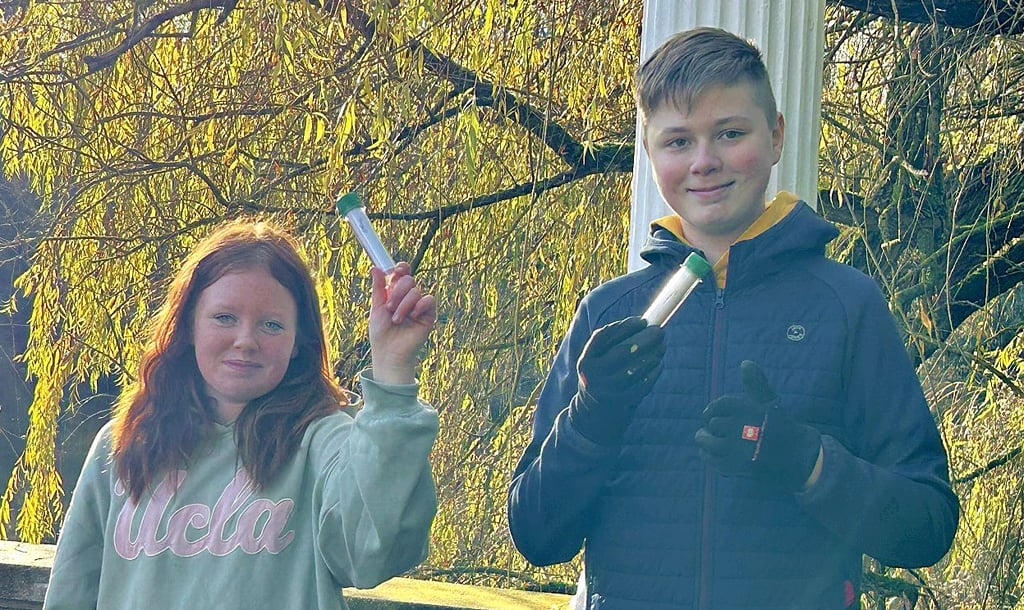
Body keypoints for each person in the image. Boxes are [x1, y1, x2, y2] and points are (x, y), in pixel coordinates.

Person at [507, 27, 959, 609]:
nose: (704, 162)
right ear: (649, 154)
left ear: (775, 137)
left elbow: (927, 525)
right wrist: (592, 419)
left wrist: (808, 463)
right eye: (677, 141)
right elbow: (538, 537)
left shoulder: (846, 305)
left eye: (730, 133)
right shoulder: (609, 313)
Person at [43, 219, 439, 610]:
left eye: (271, 324)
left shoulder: (324, 444)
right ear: (188, 325)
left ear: (299, 341)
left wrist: (393, 366)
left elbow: (374, 553)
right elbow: (71, 592)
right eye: (224, 318)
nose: (245, 341)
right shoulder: (123, 444)